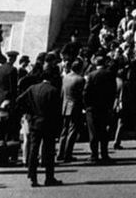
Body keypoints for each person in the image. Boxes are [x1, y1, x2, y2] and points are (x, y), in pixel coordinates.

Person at [17, 56, 63, 187]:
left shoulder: (33, 88)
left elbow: (20, 100)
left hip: (34, 122)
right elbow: (57, 111)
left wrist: (29, 113)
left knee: (33, 150)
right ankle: (49, 177)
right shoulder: (53, 91)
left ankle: (33, 177)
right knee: (48, 151)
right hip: (48, 123)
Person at [83, 54, 116, 164]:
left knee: (93, 132)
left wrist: (86, 105)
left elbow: (86, 92)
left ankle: (94, 154)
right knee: (103, 131)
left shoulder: (91, 75)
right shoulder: (110, 75)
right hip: (105, 106)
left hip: (92, 107)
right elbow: (113, 91)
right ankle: (104, 154)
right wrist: (110, 106)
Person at [57, 58, 85, 163]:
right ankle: (67, 153)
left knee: (64, 130)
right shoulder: (80, 79)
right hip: (75, 106)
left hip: (65, 105)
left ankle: (60, 153)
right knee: (72, 130)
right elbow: (82, 95)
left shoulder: (65, 77)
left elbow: (62, 92)